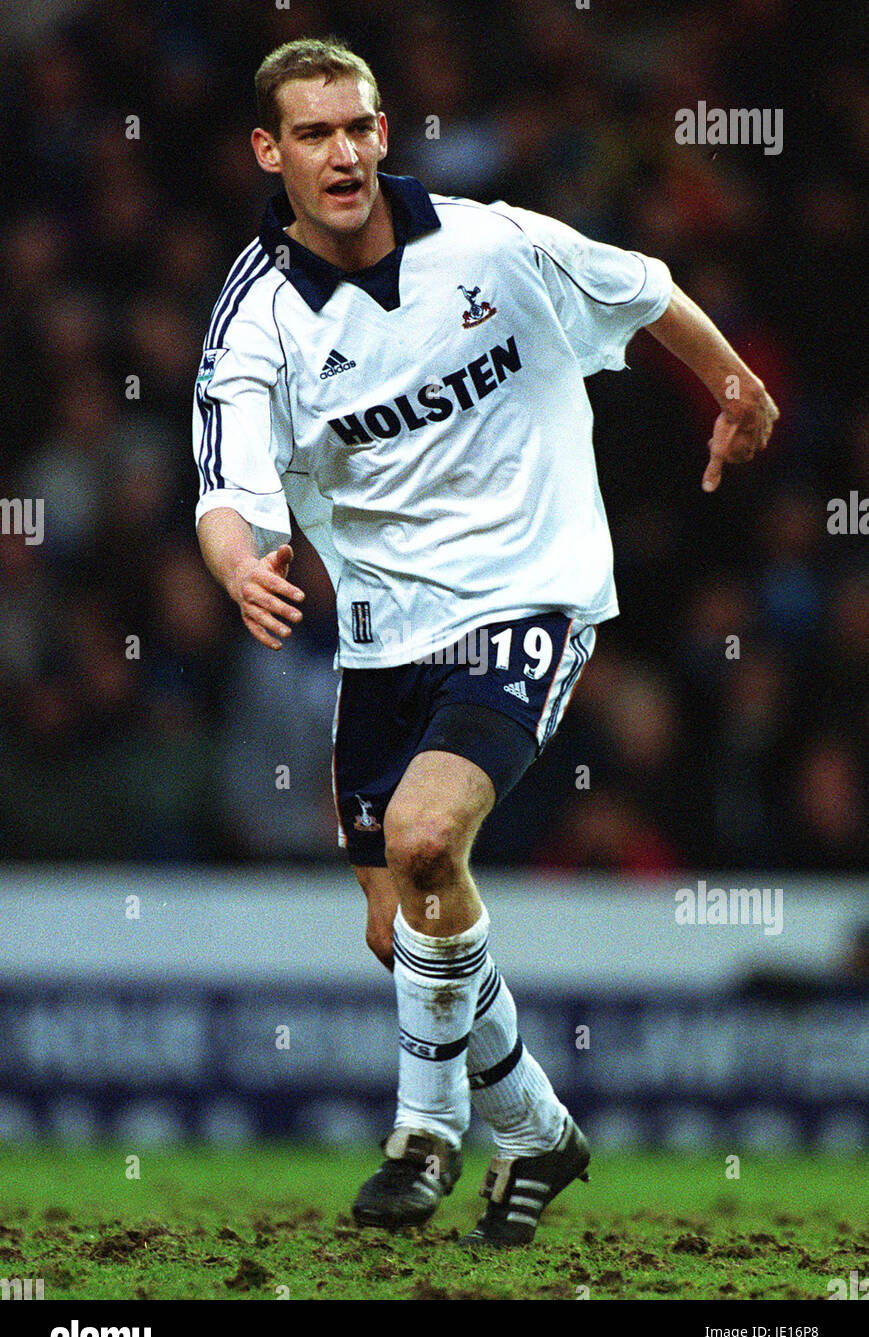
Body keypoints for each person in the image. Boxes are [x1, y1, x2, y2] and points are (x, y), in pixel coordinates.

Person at [194, 37, 778, 1245]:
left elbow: (641, 283)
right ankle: (539, 1128)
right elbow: (223, 491)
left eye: (357, 125)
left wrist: (734, 388)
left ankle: (423, 1127)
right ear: (270, 152)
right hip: (380, 638)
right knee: (399, 922)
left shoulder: (493, 242)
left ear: (383, 128)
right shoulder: (255, 322)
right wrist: (239, 566)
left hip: (529, 595)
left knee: (421, 838)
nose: (343, 151)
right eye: (313, 134)